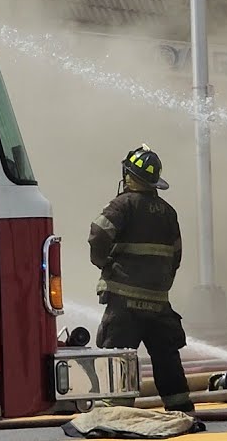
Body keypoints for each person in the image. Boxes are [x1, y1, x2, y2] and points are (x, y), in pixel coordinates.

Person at [88, 144, 193, 413]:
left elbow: (98, 235)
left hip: (124, 303)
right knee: (166, 357)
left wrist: (105, 264)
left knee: (120, 358)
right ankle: (181, 409)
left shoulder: (121, 205)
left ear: (129, 176)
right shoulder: (168, 212)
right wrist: (159, 283)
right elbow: (177, 255)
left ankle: (116, 413)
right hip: (158, 303)